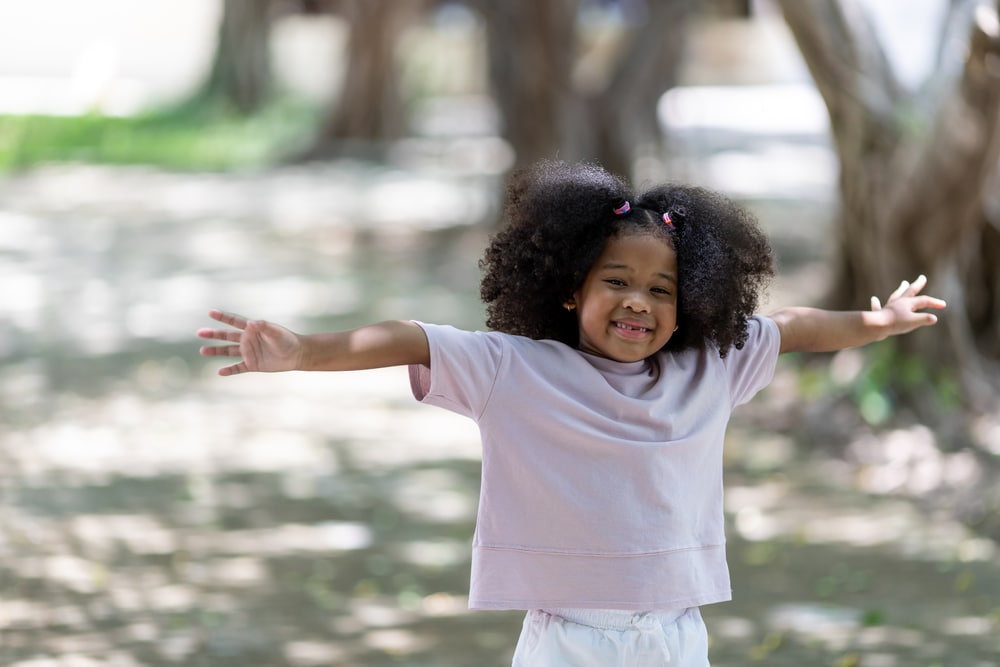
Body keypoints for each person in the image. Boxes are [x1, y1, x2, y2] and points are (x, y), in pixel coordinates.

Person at [198, 160, 945, 666]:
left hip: (677, 639)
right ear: (567, 290)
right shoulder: (516, 369)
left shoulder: (707, 367)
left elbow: (798, 326)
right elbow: (409, 337)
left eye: (660, 289)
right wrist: (303, 350)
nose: (638, 301)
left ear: (689, 304)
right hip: (569, 643)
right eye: (616, 280)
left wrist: (877, 324)